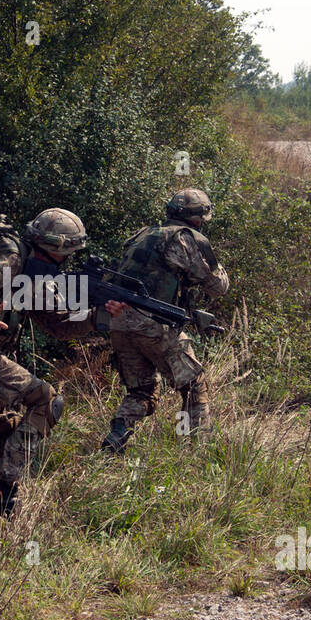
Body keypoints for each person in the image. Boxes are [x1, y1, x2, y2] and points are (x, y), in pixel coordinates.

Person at [0, 208, 111, 518]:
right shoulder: (10, 256)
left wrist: (101, 316)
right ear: (55, 249)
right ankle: (4, 491)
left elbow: (58, 326)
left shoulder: (36, 274)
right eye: (68, 253)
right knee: (48, 403)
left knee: (11, 429)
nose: (67, 260)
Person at [101, 189, 229, 453]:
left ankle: (115, 439)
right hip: (153, 323)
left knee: (142, 391)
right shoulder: (185, 239)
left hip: (119, 322)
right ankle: (198, 451)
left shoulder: (142, 233)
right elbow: (217, 286)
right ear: (199, 218)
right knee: (194, 384)